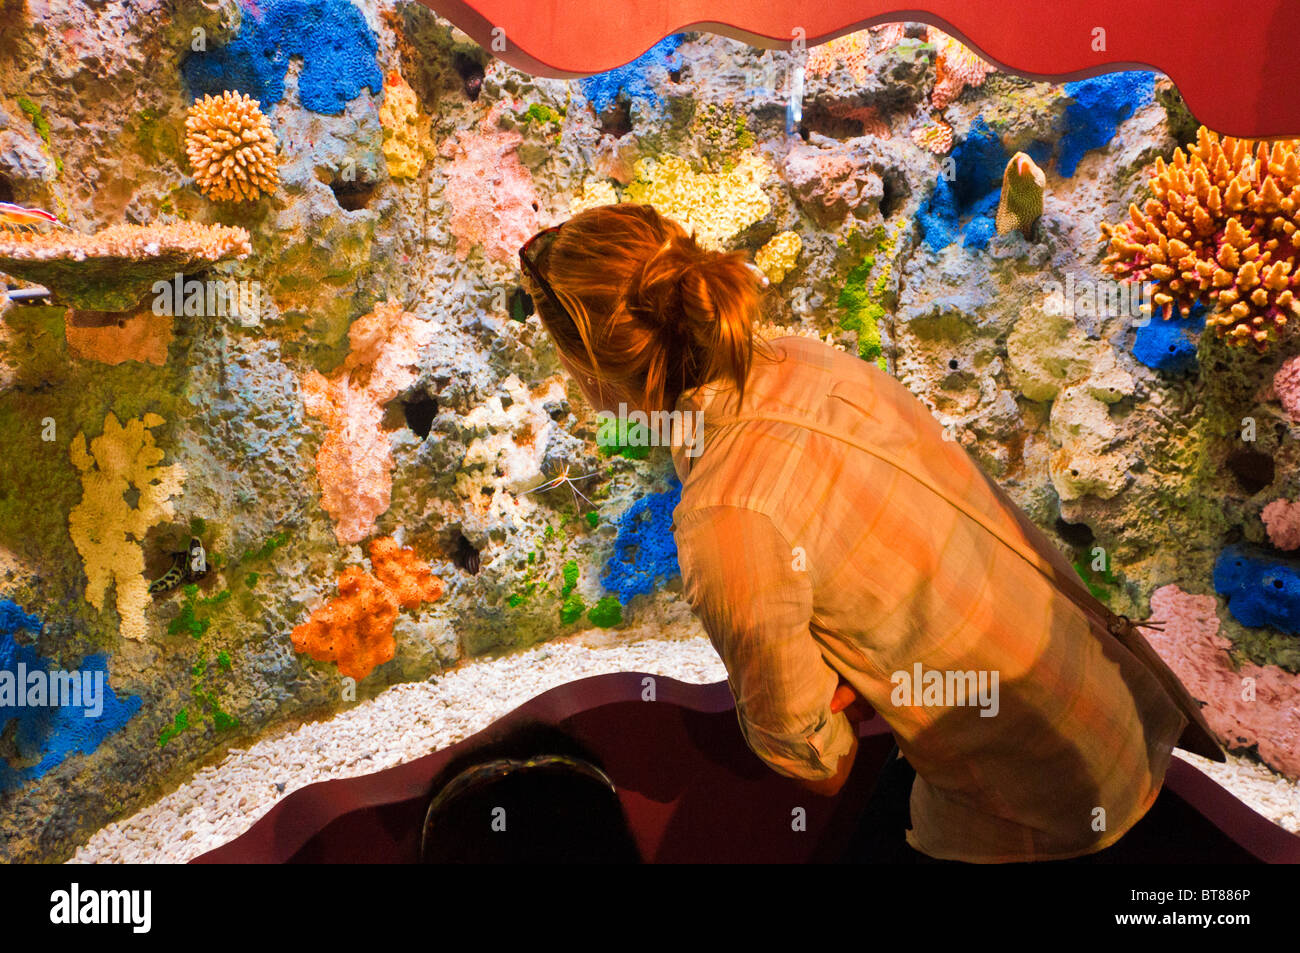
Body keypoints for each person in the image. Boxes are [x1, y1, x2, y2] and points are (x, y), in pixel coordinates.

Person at [519, 202, 1224, 864]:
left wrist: (838, 684)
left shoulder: (726, 511)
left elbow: (813, 758)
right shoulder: (803, 358)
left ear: (593, 371)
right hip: (1117, 702)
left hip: (1041, 800)